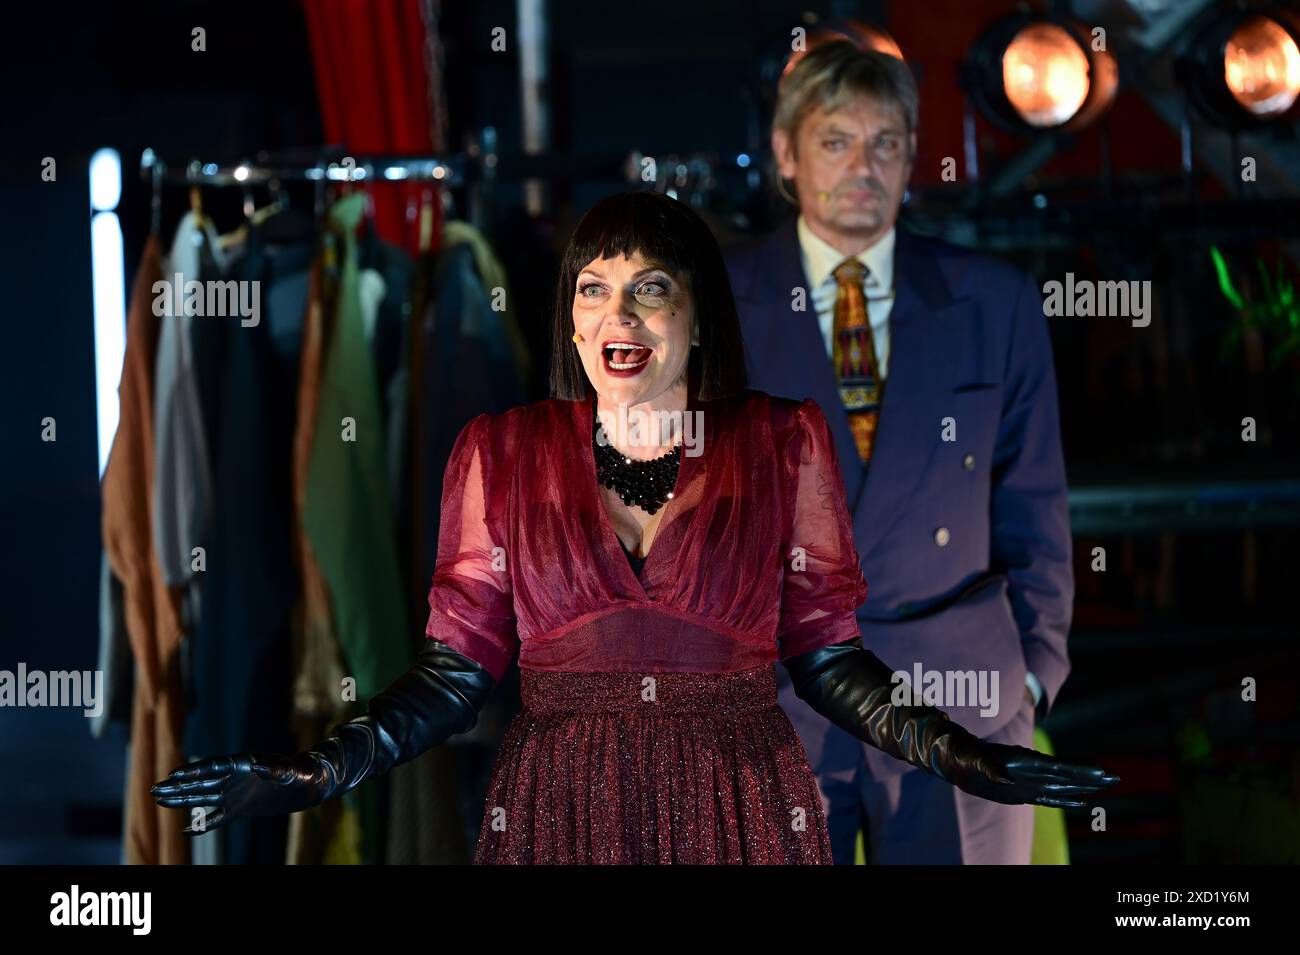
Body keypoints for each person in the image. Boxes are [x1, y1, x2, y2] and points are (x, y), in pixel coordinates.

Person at [153, 191, 1115, 865]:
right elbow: (456, 673)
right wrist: (320, 768)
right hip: (560, 813)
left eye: (652, 286)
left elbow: (826, 658)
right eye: (593, 288)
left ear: (699, 316)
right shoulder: (501, 451)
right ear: (571, 322)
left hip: (742, 811)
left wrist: (970, 755)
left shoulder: (783, 443)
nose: (621, 312)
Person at [725, 40, 1076, 863]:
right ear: (786, 152)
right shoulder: (715, 305)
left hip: (958, 694)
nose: (864, 164)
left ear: (912, 155)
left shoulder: (992, 300)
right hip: (779, 697)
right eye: (836, 140)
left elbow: (1036, 502)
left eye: (886, 142)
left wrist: (1031, 672)